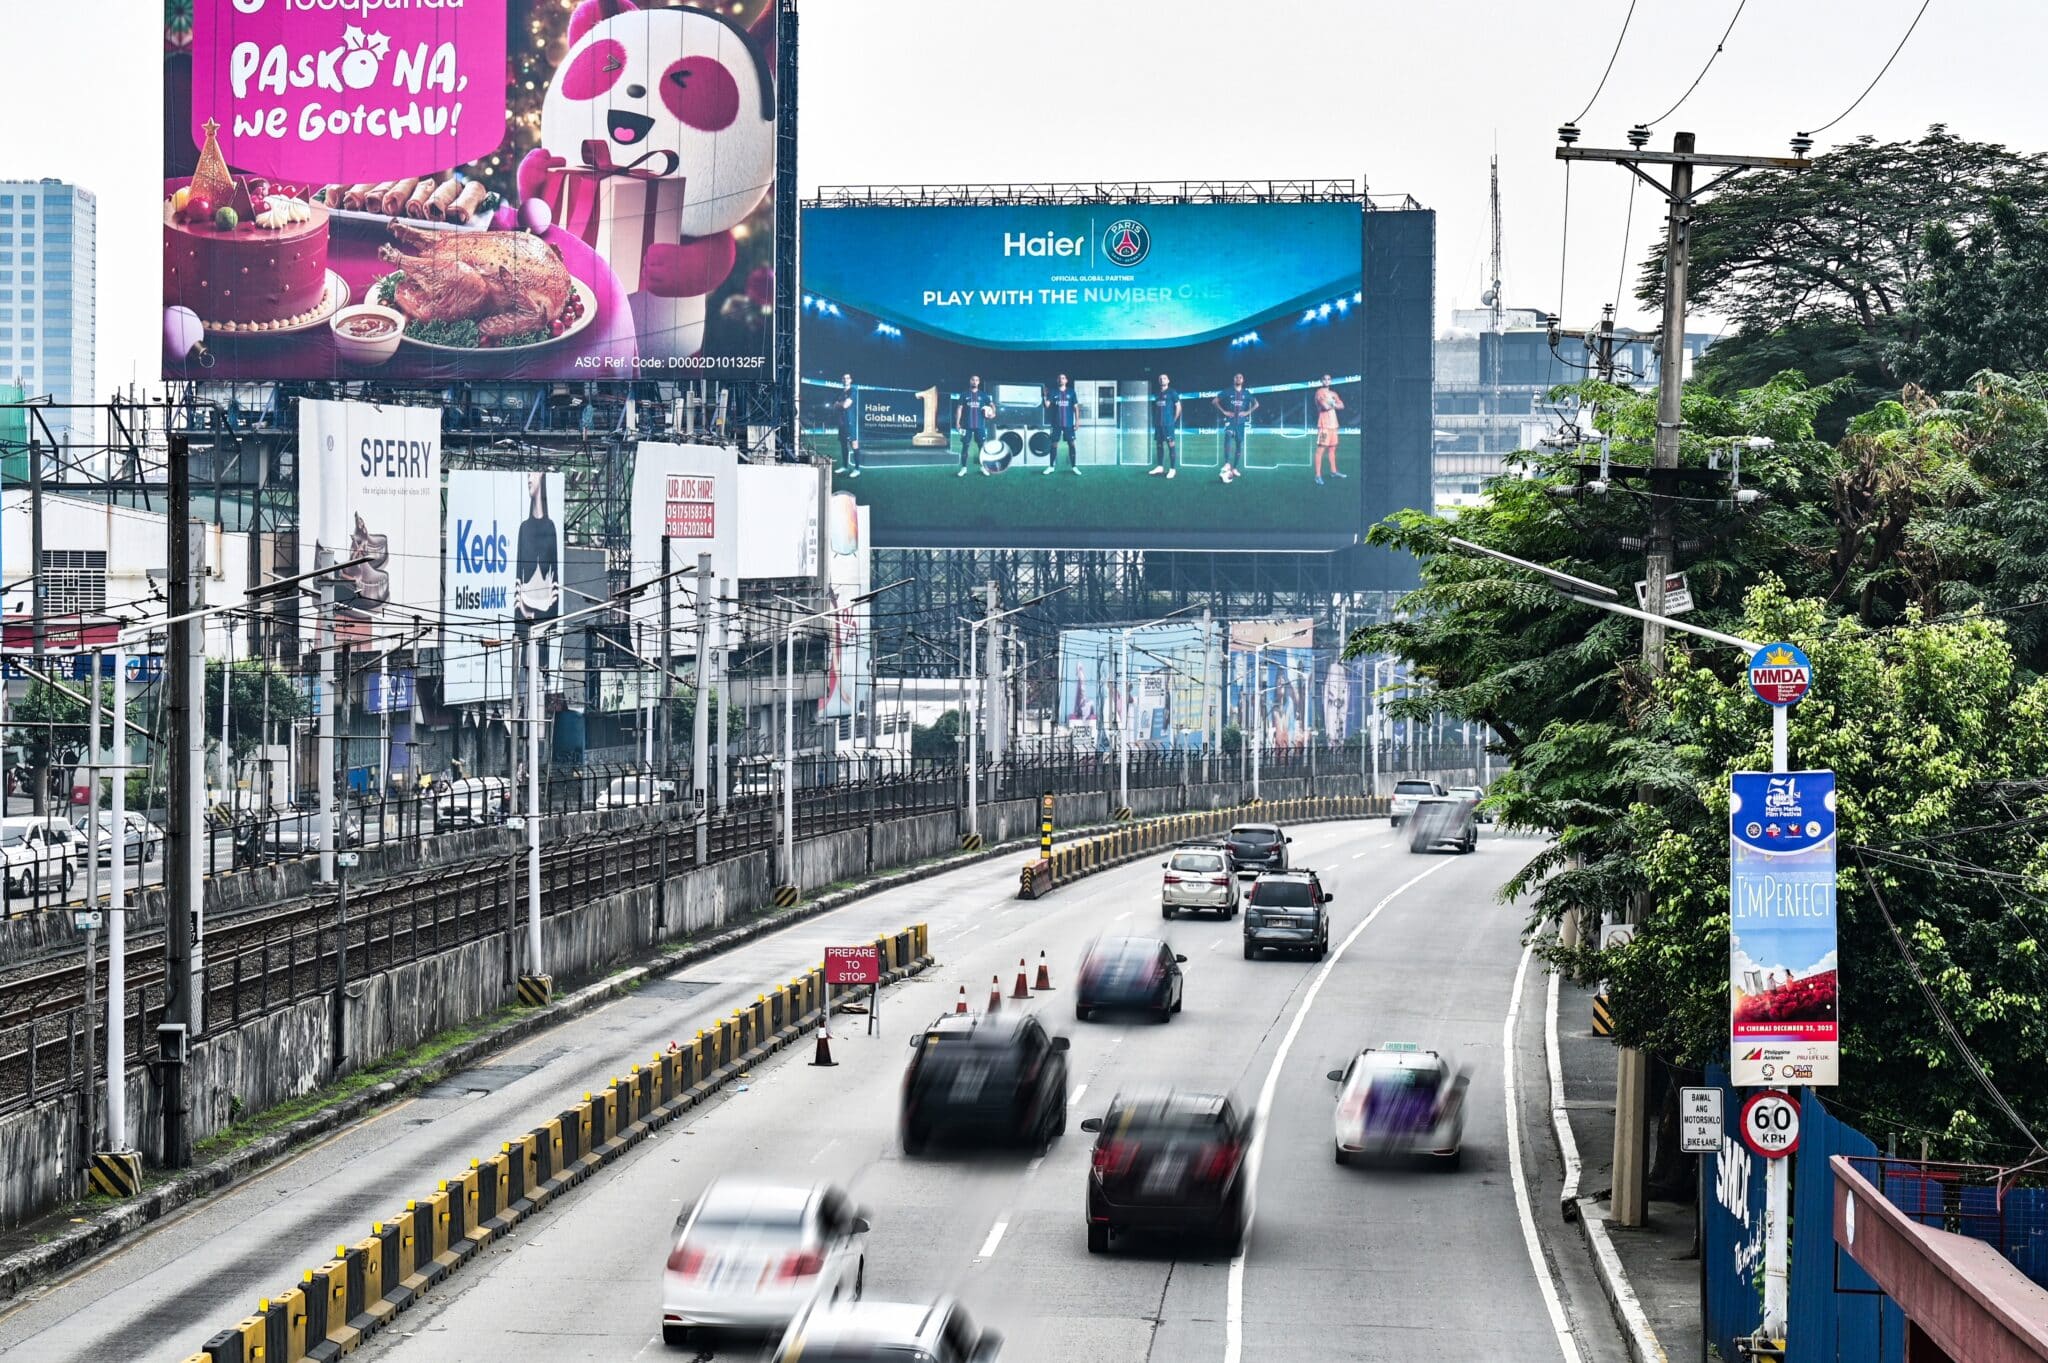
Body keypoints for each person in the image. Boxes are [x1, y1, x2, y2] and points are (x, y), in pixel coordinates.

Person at [1212, 373, 1259, 483]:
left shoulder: (1246, 393)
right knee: (1228, 435)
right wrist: (1224, 411)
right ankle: (1227, 463)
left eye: (1240, 377)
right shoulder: (1227, 391)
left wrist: (1247, 412)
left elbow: (1256, 404)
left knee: (1239, 444)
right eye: (1236, 377)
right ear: (1233, 379)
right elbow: (1214, 401)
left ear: (1243, 380)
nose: (1238, 378)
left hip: (1241, 422)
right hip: (1230, 420)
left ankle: (1235, 468)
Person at [956, 376, 993, 476]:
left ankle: (982, 467)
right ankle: (964, 468)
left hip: (979, 425)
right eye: (973, 380)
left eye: (976, 380)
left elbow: (992, 404)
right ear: (970, 381)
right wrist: (957, 422)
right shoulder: (964, 394)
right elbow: (959, 409)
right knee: (965, 446)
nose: (974, 382)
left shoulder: (983, 395)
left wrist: (993, 412)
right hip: (966, 425)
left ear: (979, 382)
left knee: (981, 446)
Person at [1043, 374, 1080, 475]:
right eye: (1059, 378)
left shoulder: (1071, 392)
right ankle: (1051, 467)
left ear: (1066, 380)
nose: (1061, 379)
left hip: (1068, 423)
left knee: (1071, 444)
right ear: (1057, 380)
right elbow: (1047, 405)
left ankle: (1074, 466)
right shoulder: (1053, 392)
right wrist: (1045, 395)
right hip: (1056, 423)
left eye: (1063, 378)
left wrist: (1077, 421)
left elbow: (1076, 407)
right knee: (1054, 444)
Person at [1313, 374, 1346, 485]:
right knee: (1320, 450)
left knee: (1332, 449)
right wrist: (1334, 403)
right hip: (1324, 426)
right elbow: (1325, 407)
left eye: (1329, 379)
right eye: (1324, 379)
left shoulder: (1333, 394)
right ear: (1321, 381)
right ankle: (1317, 476)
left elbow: (1342, 406)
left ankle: (1333, 471)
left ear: (1330, 381)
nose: (1327, 381)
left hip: (1333, 425)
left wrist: (1332, 403)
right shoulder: (1319, 392)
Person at [1150, 373, 1181, 478]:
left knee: (1171, 445)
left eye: (1164, 378)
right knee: (1159, 445)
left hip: (1168, 425)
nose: (1162, 380)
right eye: (1160, 378)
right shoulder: (1157, 394)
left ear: (1168, 381)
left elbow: (1178, 406)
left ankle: (1172, 469)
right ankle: (1160, 467)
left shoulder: (1172, 392)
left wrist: (1174, 420)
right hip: (1158, 424)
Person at [834, 374, 861, 476]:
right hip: (841, 423)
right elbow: (834, 406)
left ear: (851, 380)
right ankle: (845, 466)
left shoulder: (853, 390)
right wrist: (840, 404)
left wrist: (839, 404)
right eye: (844, 378)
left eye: (848, 378)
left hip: (850, 422)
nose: (845, 380)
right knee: (843, 445)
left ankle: (857, 469)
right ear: (841, 380)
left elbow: (846, 405)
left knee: (853, 444)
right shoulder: (840, 393)